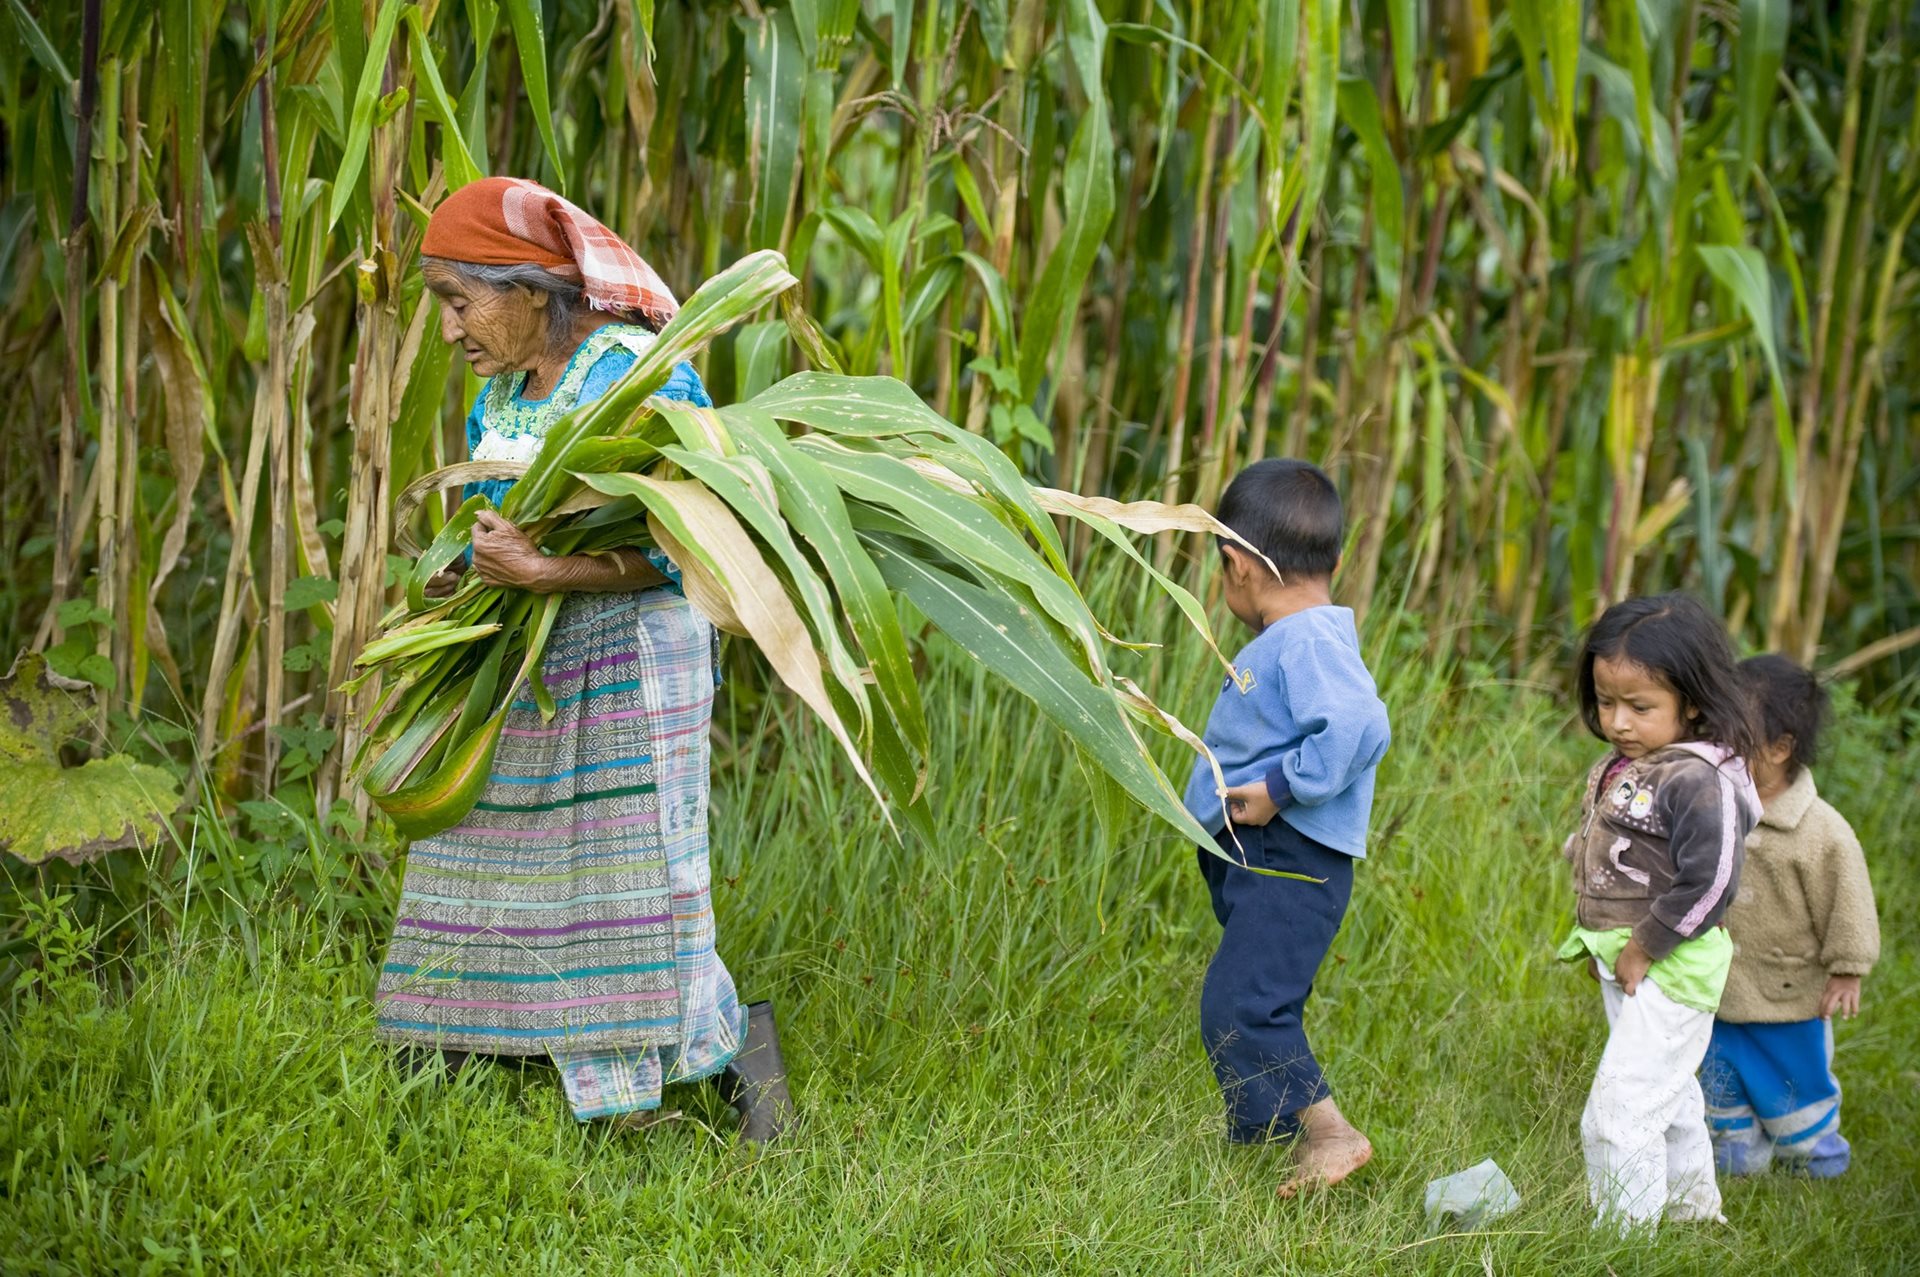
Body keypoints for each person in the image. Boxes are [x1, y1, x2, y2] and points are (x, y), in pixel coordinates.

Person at [372, 176, 790, 1140]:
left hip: (639, 664)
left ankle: (698, 1083)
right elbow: (500, 528)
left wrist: (548, 569)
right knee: (494, 849)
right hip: (537, 660)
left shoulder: (640, 380)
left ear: (528, 290)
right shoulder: (503, 395)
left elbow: (696, 544)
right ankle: (516, 1051)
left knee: (642, 877)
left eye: (457, 300)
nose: (448, 330)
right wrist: (466, 577)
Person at [1180, 459, 1391, 1197]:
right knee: (1256, 994)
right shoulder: (1303, 636)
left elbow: (1362, 723)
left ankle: (1330, 1132)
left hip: (1287, 851)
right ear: (1334, 559)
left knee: (1242, 1002)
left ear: (1235, 565)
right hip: (1266, 854)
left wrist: (1276, 787)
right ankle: (1264, 1135)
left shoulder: (1303, 640)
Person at [1557, 594, 1762, 1229]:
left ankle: (1623, 1242)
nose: (1618, 721)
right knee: (1665, 1098)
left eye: (1640, 707)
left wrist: (1645, 944)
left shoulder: (1699, 779)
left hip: (1670, 963)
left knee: (1620, 1109)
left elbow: (1713, 879)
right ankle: (1692, 1216)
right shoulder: (1636, 761)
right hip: (1631, 961)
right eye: (1606, 702)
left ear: (1693, 703)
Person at [1702, 655, 1879, 1177]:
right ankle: (1734, 1151)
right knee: (1720, 1071)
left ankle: (1814, 1153)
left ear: (1780, 749)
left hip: (1790, 994)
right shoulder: (1713, 804)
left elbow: (1847, 901)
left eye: (1735, 736)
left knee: (1793, 1081)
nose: (1719, 746)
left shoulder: (1820, 833)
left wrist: (1847, 966)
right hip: (1719, 987)